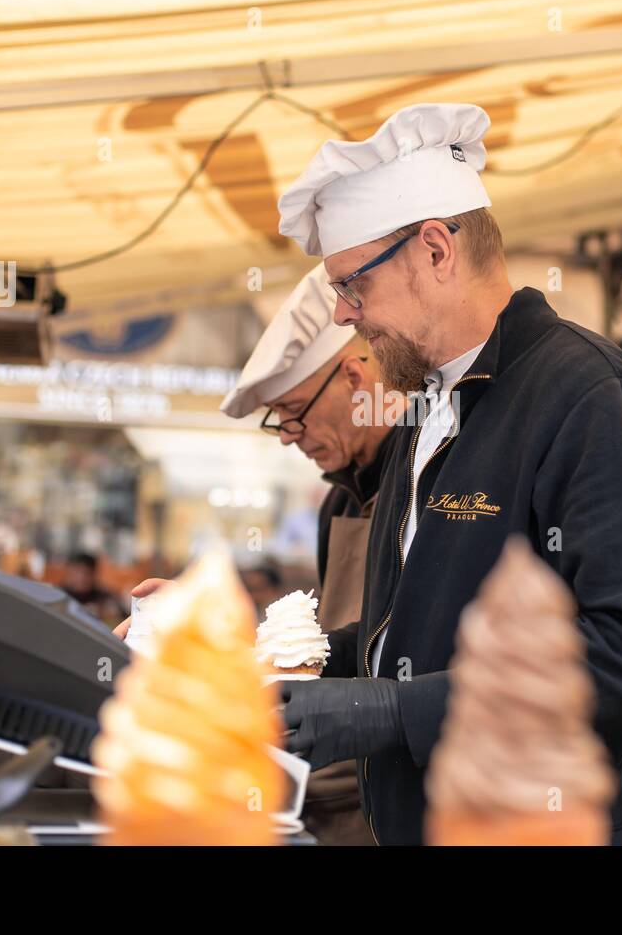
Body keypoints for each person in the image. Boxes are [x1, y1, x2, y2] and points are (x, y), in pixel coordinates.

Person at [271, 103, 622, 845]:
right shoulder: (425, 411)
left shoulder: (591, 397)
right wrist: (278, 657)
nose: (343, 316)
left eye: (353, 286)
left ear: (436, 249)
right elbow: (416, 634)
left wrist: (396, 713)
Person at [116, 264, 402, 844]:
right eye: (280, 421)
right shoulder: (339, 504)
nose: (289, 434)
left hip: (383, 800)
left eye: (294, 412)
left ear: (354, 377)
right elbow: (319, 650)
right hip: (316, 788)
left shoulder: (426, 484)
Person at [59, 552, 125, 629]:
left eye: (86, 573)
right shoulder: (58, 596)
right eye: (77, 571)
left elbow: (123, 619)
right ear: (68, 572)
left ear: (94, 574)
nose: (81, 578)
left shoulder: (105, 598)